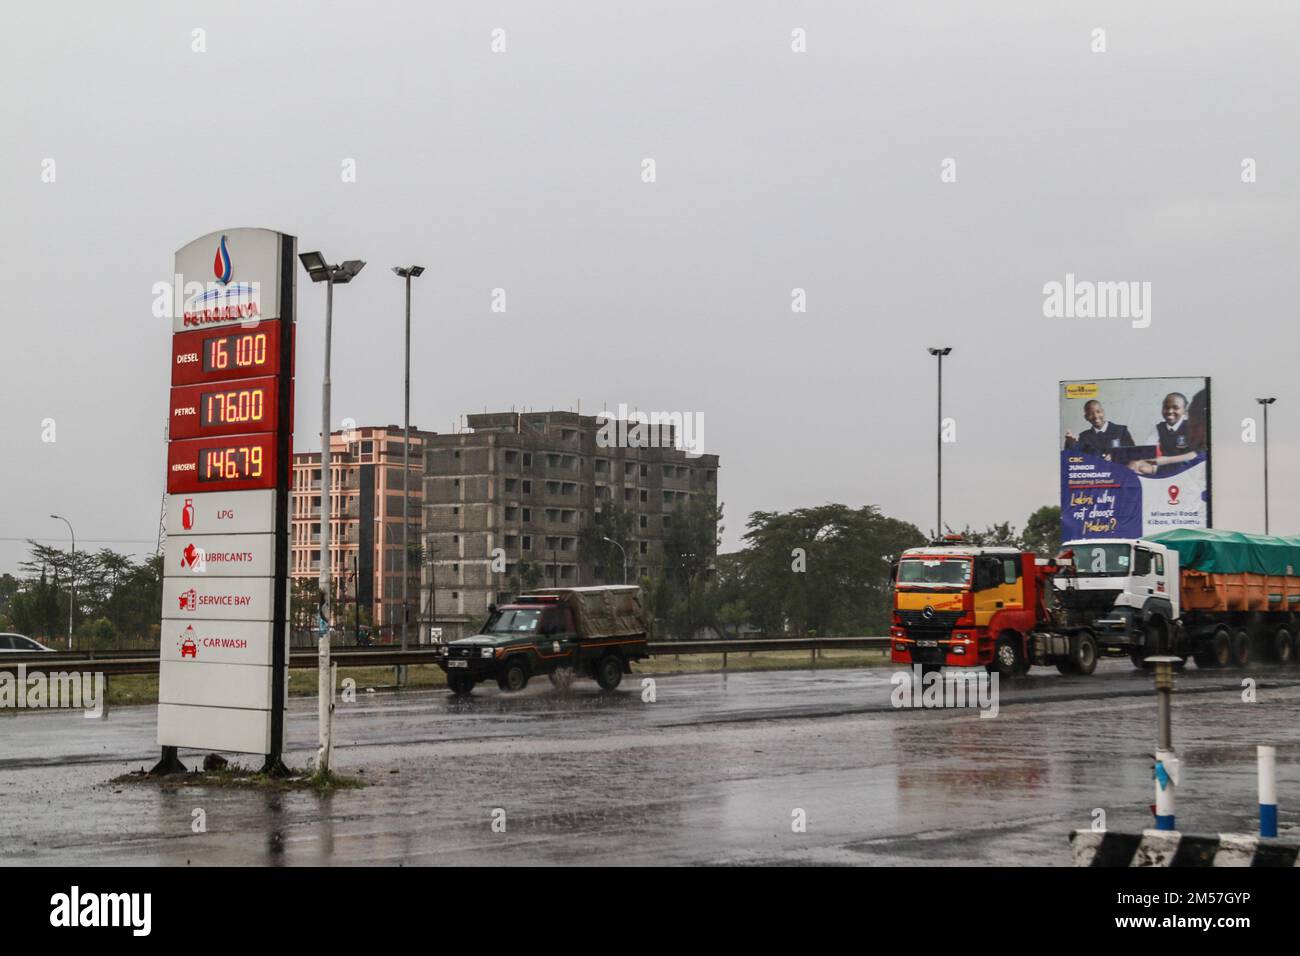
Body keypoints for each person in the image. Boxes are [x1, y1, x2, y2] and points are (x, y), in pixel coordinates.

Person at [1129, 392, 1202, 475]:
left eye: (1175, 408)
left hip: (1187, 469)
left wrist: (1167, 460)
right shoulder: (1159, 428)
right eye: (1166, 407)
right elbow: (1147, 451)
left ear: (1185, 411)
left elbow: (1198, 454)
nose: (1170, 411)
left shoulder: (1192, 427)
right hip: (1165, 468)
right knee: (1135, 466)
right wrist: (1138, 463)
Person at [1064, 400, 1134, 458]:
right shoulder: (1084, 436)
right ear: (1086, 417)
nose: (1095, 416)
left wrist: (1114, 456)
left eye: (1098, 412)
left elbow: (1133, 454)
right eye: (1090, 414)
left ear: (1103, 412)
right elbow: (1075, 457)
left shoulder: (1121, 431)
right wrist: (1070, 443)